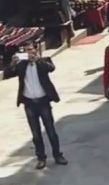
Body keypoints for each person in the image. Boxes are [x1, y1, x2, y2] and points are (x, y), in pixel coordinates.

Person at [4, 41, 66, 170]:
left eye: (30, 50)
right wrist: (12, 63)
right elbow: (7, 74)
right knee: (35, 133)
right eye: (26, 50)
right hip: (29, 103)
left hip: (43, 101)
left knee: (50, 130)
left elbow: (51, 68)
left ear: (36, 50)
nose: (28, 52)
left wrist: (37, 60)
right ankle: (41, 158)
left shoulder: (43, 61)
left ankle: (57, 155)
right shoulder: (21, 65)